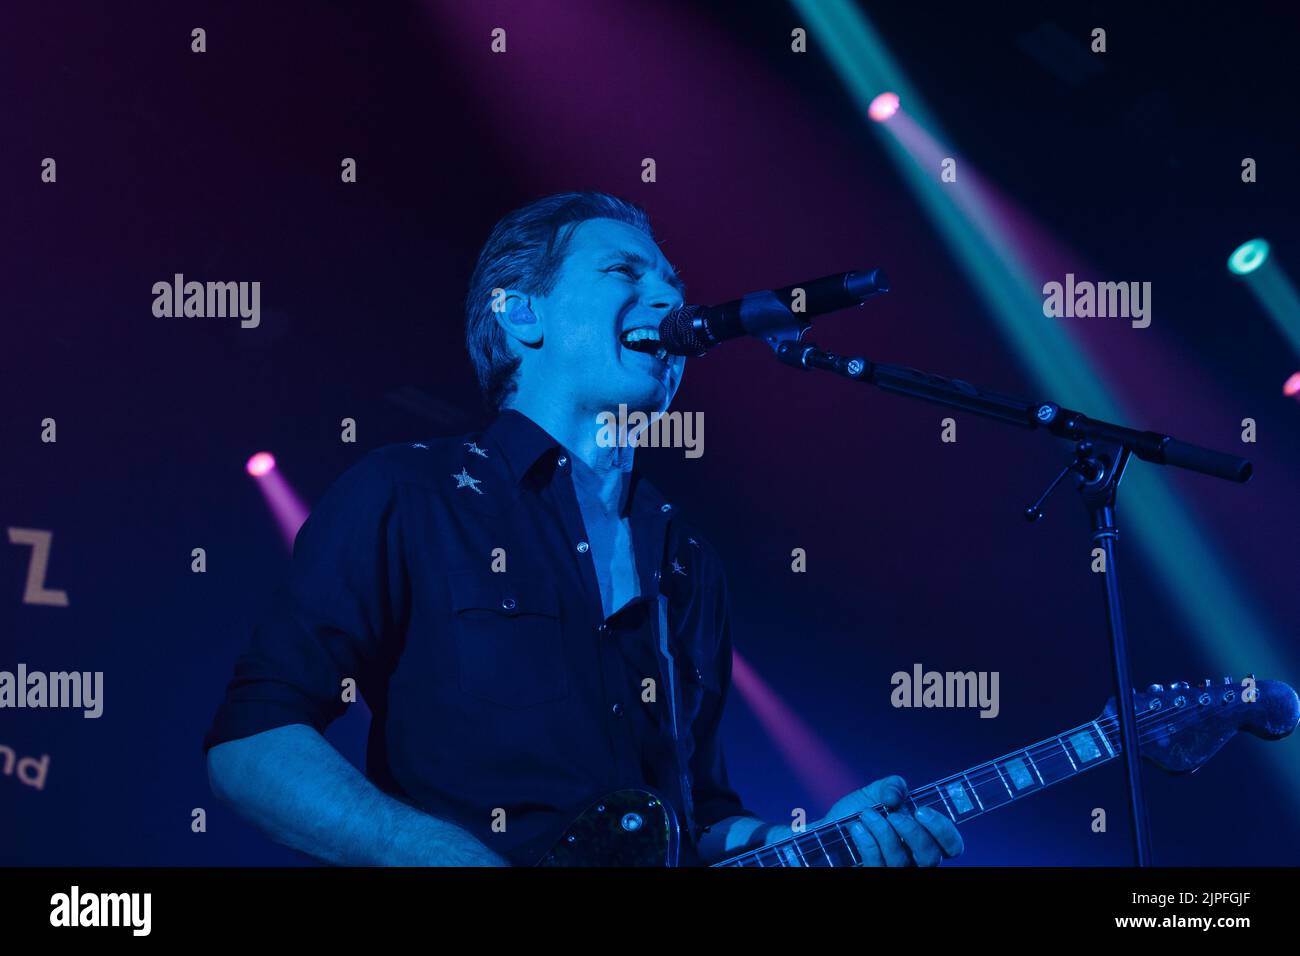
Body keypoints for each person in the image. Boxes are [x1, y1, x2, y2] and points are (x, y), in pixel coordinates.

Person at [203, 190, 964, 867]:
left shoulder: (686, 558)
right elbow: (254, 744)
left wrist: (802, 843)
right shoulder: (409, 493)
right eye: (624, 274)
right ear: (521, 312)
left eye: (672, 283)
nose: (666, 295)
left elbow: (696, 815)